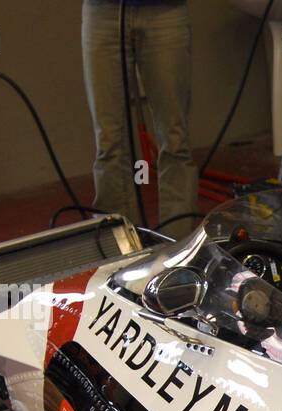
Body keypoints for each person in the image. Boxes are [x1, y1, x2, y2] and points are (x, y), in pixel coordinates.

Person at [81, 0, 198, 235]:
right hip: (103, 12)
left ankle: (177, 244)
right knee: (109, 142)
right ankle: (118, 245)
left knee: (174, 140)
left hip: (165, 11)